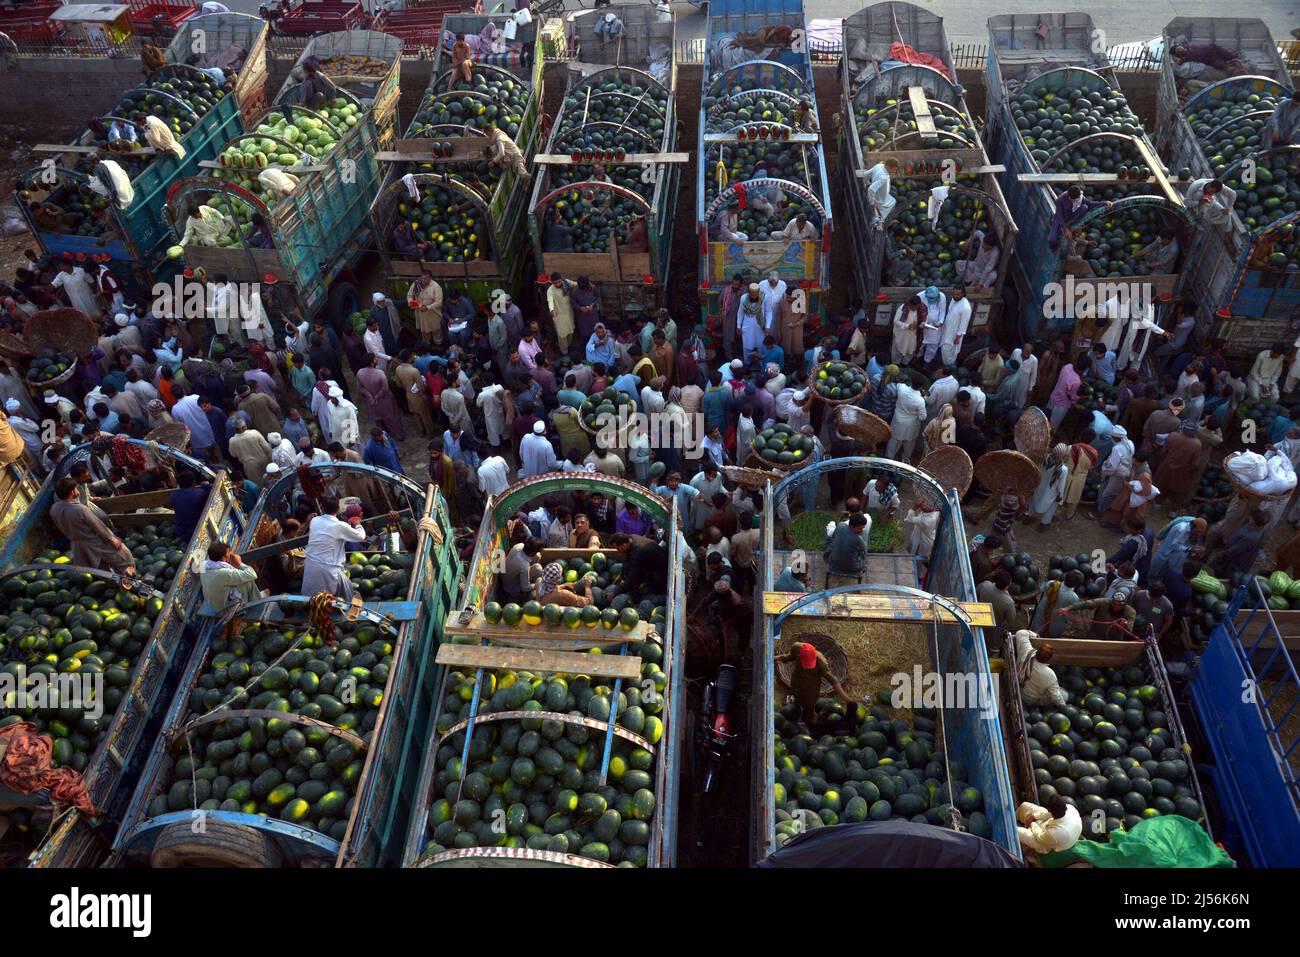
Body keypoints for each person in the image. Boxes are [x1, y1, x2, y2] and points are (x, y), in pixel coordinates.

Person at [50, 477, 134, 573]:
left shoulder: (54, 509)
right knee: (126, 560)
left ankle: (116, 585)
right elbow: (98, 527)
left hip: (78, 548)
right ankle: (132, 586)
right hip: (96, 543)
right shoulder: (81, 509)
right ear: (72, 491)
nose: (78, 490)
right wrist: (112, 539)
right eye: (76, 488)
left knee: (103, 572)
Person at [301, 497, 371, 599]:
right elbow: (361, 536)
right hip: (329, 570)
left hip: (310, 565)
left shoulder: (314, 521)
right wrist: (358, 525)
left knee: (314, 600)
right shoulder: (340, 525)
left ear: (323, 508)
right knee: (342, 600)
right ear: (338, 509)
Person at [773, 641, 855, 724]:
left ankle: (810, 717)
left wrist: (846, 699)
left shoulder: (821, 662)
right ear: (799, 656)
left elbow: (833, 681)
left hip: (811, 688)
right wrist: (774, 658)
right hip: (797, 681)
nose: (808, 668)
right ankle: (797, 710)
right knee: (796, 696)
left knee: (809, 705)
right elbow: (789, 657)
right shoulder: (796, 648)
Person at [200, 541, 261, 614]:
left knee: (241, 576)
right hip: (226, 609)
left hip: (214, 604)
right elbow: (252, 574)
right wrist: (240, 563)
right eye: (229, 553)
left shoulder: (205, 565)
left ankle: (255, 598)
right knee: (248, 580)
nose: (231, 554)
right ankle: (257, 602)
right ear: (223, 558)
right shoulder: (224, 573)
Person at [1013, 630, 1066, 707]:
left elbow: (1021, 633)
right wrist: (1065, 708)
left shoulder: (1026, 651)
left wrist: (1035, 635)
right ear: (1049, 659)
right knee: (1064, 695)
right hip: (1028, 700)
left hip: (1016, 686)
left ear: (1037, 650)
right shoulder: (1050, 675)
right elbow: (1056, 697)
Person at [1017, 795, 1082, 856]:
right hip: (1051, 827)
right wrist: (1034, 817)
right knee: (1025, 805)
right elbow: (1048, 814)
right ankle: (1015, 815)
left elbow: (1039, 837)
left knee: (1017, 831)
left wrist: (1033, 823)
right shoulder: (1070, 808)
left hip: (1048, 844)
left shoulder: (1057, 833)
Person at [1026, 443, 1069, 532]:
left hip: (1039, 487)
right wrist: (1060, 497)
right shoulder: (1063, 469)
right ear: (1064, 455)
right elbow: (1061, 485)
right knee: (1051, 508)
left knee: (1034, 502)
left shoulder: (1044, 460)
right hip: (1051, 492)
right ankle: (1043, 524)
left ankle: (1028, 517)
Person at [824, 513, 869, 586]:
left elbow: (834, 538)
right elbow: (863, 555)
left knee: (828, 536)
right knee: (865, 560)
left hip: (833, 562)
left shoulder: (840, 525)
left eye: (863, 528)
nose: (862, 530)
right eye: (860, 528)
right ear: (851, 526)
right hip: (852, 568)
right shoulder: (858, 540)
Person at [977, 570, 1017, 640]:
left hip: (976, 618)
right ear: (1007, 586)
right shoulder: (1009, 602)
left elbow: (976, 592)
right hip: (992, 629)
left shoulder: (985, 584)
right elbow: (1011, 621)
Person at [891, 295, 923, 365]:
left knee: (910, 349)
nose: (915, 308)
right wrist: (907, 326)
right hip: (901, 334)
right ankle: (896, 363)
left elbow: (921, 320)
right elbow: (896, 321)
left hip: (912, 335)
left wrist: (919, 324)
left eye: (917, 307)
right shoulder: (903, 308)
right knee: (898, 349)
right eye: (914, 307)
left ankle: (905, 363)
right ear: (910, 304)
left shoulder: (920, 309)